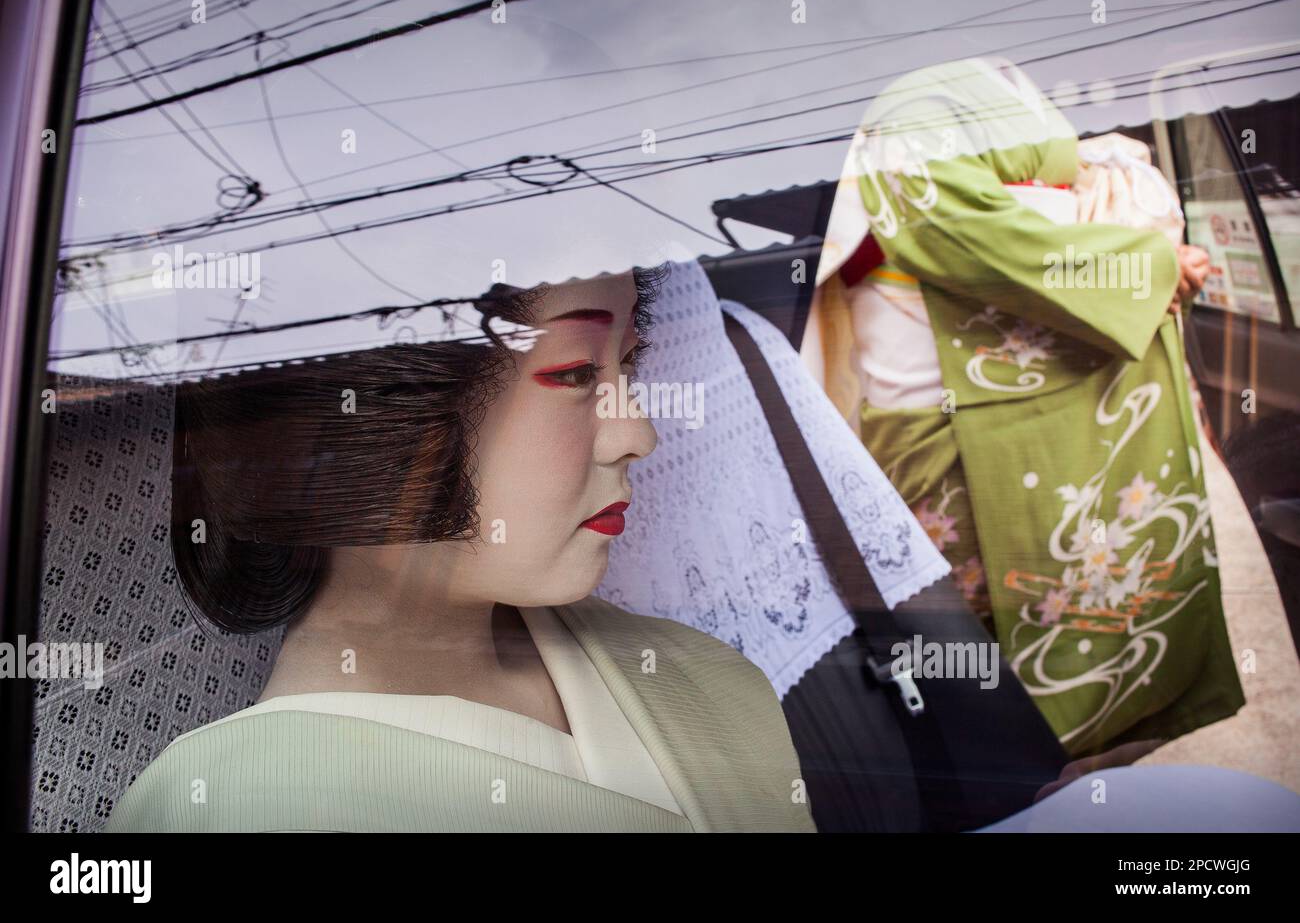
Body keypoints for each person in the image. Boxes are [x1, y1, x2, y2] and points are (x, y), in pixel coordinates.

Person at [105, 268, 815, 832]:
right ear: (385, 408)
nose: (636, 432)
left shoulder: (698, 670)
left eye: (628, 360)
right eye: (574, 374)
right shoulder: (235, 808)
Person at [801, 56, 1243, 757]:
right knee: (979, 656)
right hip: (940, 414)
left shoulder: (1001, 71)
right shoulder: (906, 102)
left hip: (1061, 380)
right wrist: (1145, 265)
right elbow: (957, 230)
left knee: (1105, 582)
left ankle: (1101, 753)